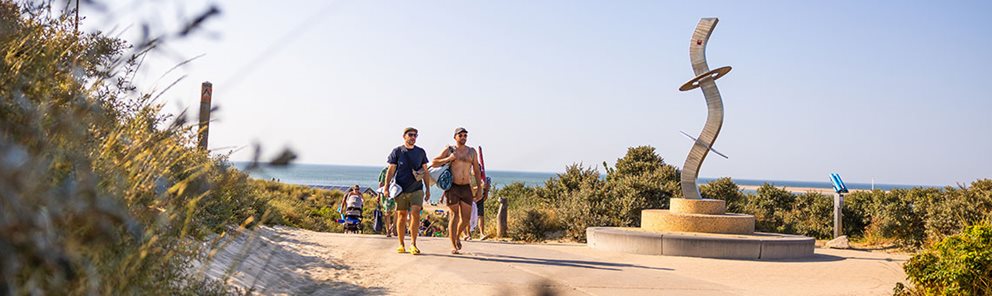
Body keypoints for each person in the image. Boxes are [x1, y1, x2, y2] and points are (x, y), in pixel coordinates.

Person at [432, 127, 484, 254]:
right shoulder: (450, 149)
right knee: (454, 216)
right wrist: (448, 159)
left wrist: (479, 189)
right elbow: (434, 162)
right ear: (455, 137)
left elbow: (477, 170)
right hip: (453, 187)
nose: (463, 137)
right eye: (460, 135)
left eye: (465, 135)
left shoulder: (472, 152)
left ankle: (457, 236)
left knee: (466, 219)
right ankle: (453, 245)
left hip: (466, 186)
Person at [383, 127, 431, 255]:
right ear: (404, 136)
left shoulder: (421, 152)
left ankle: (413, 244)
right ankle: (401, 243)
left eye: (415, 135)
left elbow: (425, 172)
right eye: (410, 135)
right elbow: (391, 170)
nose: (413, 137)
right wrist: (386, 187)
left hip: (416, 188)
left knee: (415, 213)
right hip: (401, 189)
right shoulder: (397, 151)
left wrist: (427, 189)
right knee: (402, 215)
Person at [378, 166, 396, 237]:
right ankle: (388, 230)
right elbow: (381, 183)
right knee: (387, 212)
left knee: (397, 211)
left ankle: (394, 228)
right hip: (386, 194)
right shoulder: (385, 170)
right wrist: (378, 195)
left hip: (396, 192)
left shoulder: (400, 169)